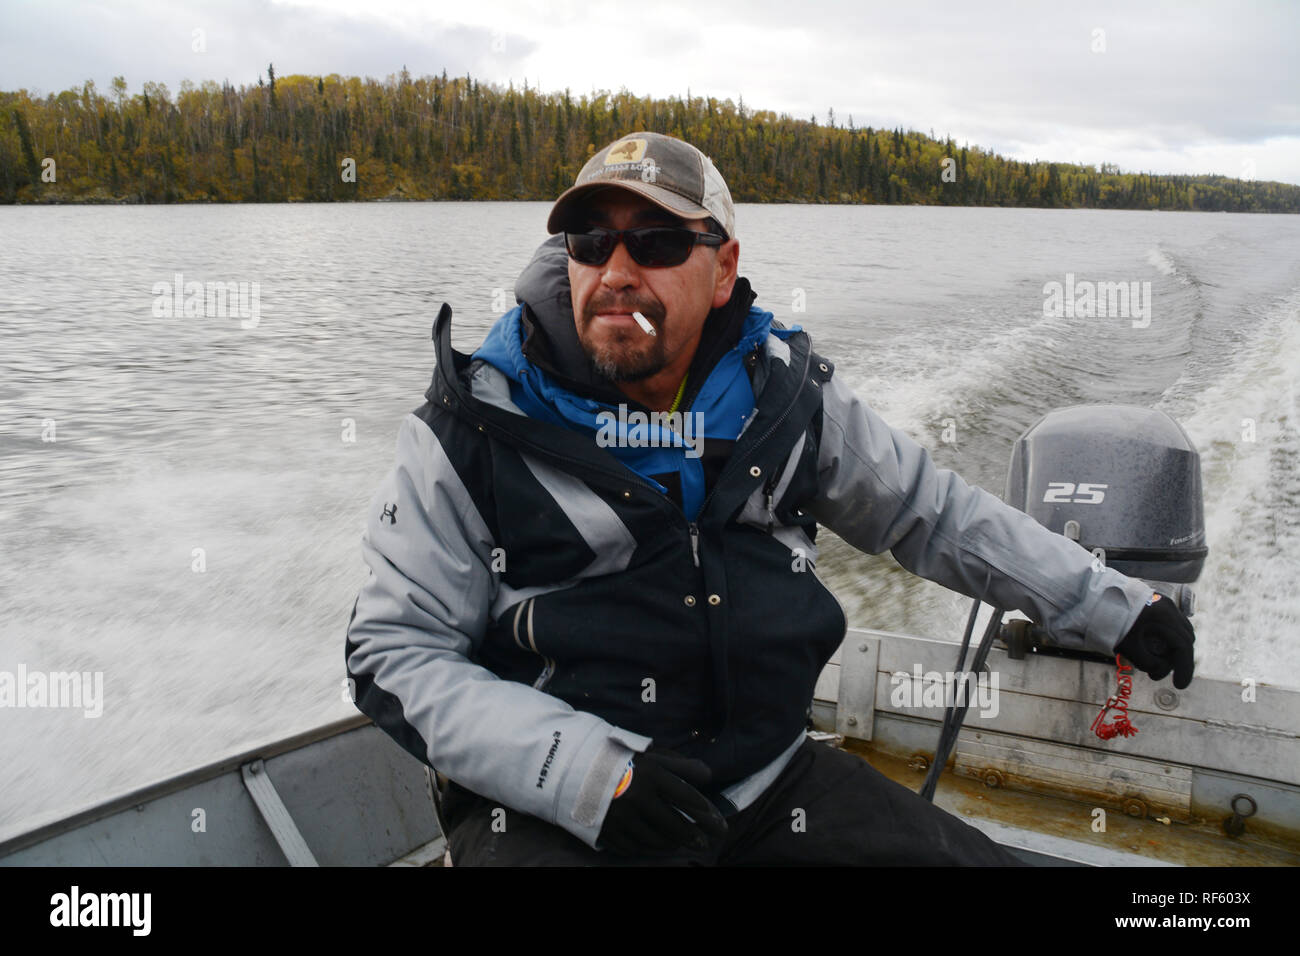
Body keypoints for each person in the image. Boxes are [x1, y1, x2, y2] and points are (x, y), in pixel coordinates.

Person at [344, 131, 1195, 866]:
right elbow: (394, 650)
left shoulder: (783, 399)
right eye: (590, 239)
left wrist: (1111, 606)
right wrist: (584, 777)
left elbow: (930, 513)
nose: (617, 270)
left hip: (761, 780)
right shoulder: (473, 427)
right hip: (551, 805)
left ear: (723, 270)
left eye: (657, 243)